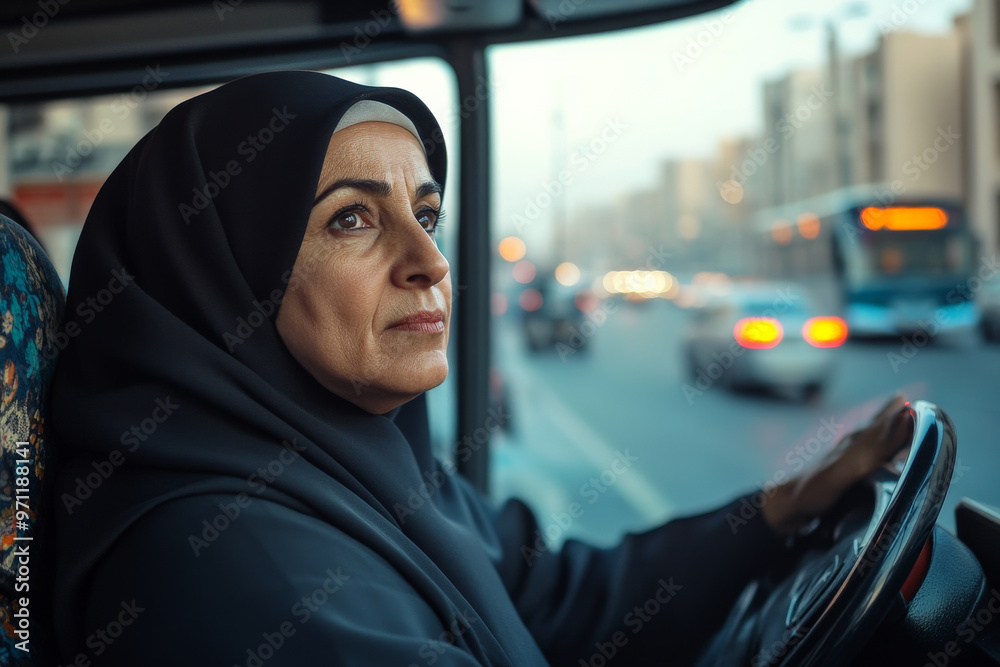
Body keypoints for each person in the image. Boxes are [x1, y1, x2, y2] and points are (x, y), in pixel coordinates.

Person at [46, 70, 912, 666]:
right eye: (352, 220)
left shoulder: (359, 465)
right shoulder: (242, 575)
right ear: (220, 278)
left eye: (427, 212)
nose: (429, 258)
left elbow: (552, 599)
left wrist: (781, 506)